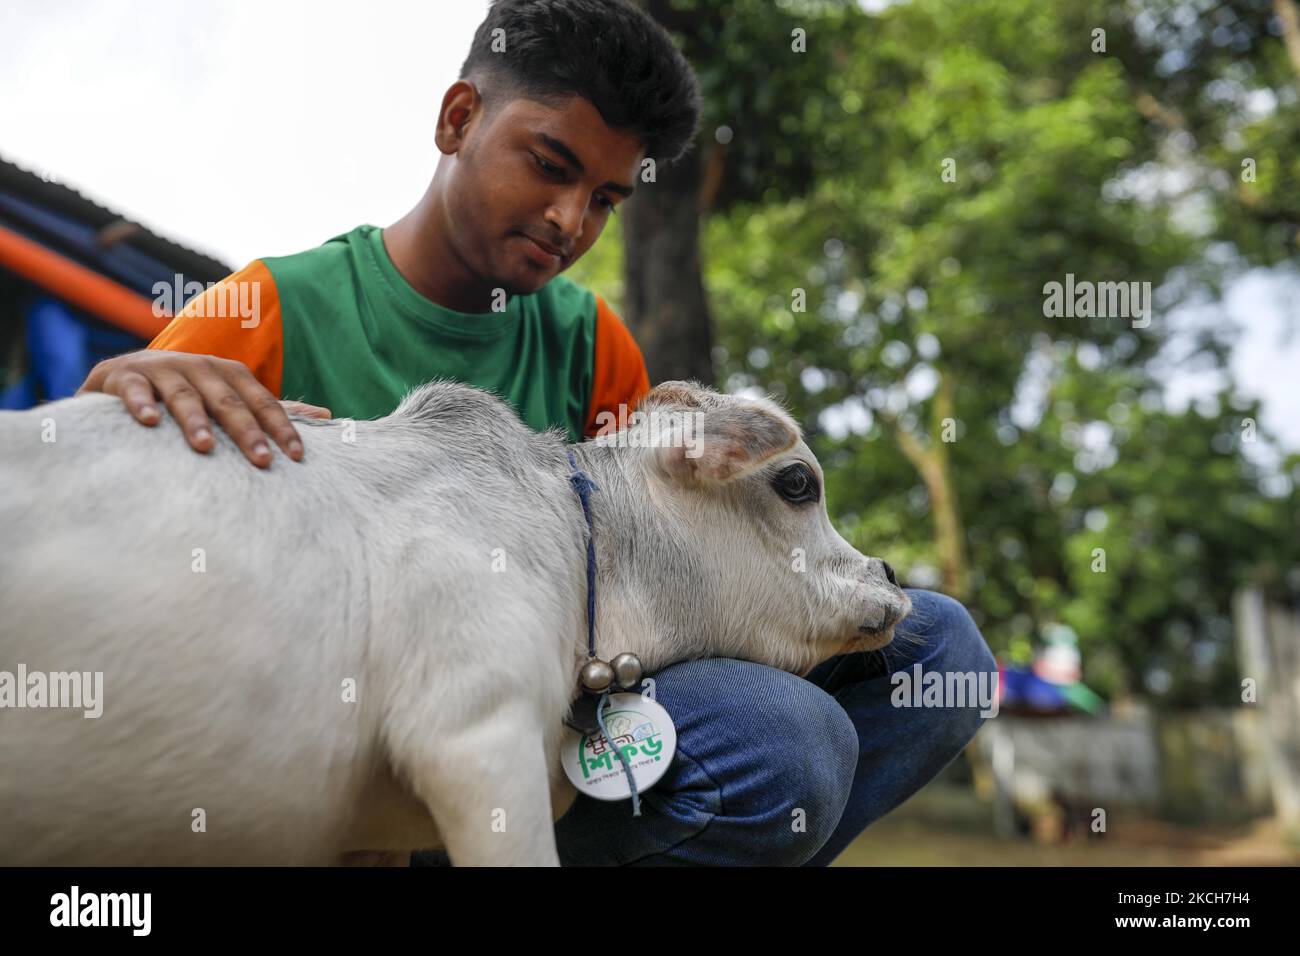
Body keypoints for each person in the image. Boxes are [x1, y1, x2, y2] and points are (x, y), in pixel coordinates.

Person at [77, 0, 996, 866]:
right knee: (787, 747)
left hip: (574, 716)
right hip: (353, 742)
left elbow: (674, 575)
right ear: (458, 118)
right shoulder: (271, 306)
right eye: (551, 166)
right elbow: (106, 483)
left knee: (941, 650)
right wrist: (126, 380)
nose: (569, 221)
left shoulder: (594, 347)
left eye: (605, 199)